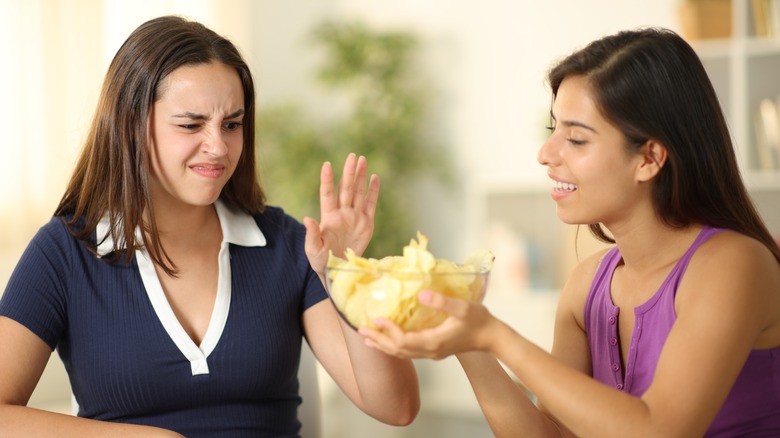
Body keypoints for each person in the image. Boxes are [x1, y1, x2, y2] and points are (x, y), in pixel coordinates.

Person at [0, 15, 419, 437]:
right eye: (191, 124)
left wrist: (347, 278)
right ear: (130, 124)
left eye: (232, 124)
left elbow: (396, 407)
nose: (218, 147)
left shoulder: (287, 245)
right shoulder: (66, 252)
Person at [361, 27, 780, 437]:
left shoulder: (733, 264)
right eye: (553, 130)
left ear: (649, 158)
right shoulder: (588, 285)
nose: (546, 154)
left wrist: (497, 337)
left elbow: (659, 428)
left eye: (576, 139)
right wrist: (467, 340)